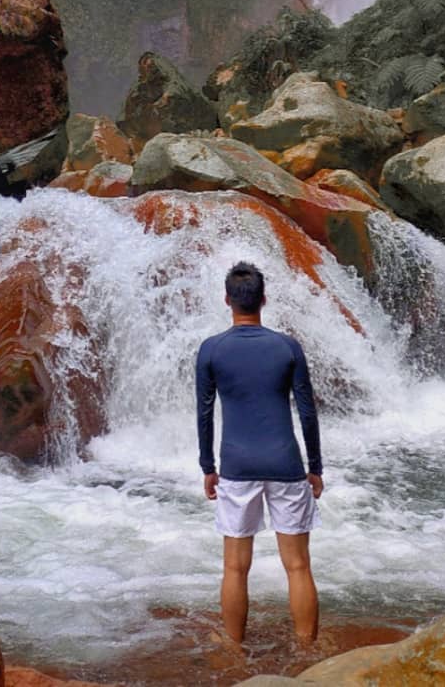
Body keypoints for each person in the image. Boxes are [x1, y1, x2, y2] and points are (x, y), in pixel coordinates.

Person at [195, 261, 324, 645]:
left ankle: (234, 650)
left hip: (236, 466)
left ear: (227, 301)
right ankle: (306, 652)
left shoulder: (211, 350)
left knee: (235, 568)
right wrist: (314, 467)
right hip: (286, 463)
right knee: (298, 566)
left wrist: (208, 467)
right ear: (263, 300)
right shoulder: (287, 347)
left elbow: (203, 413)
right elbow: (307, 410)